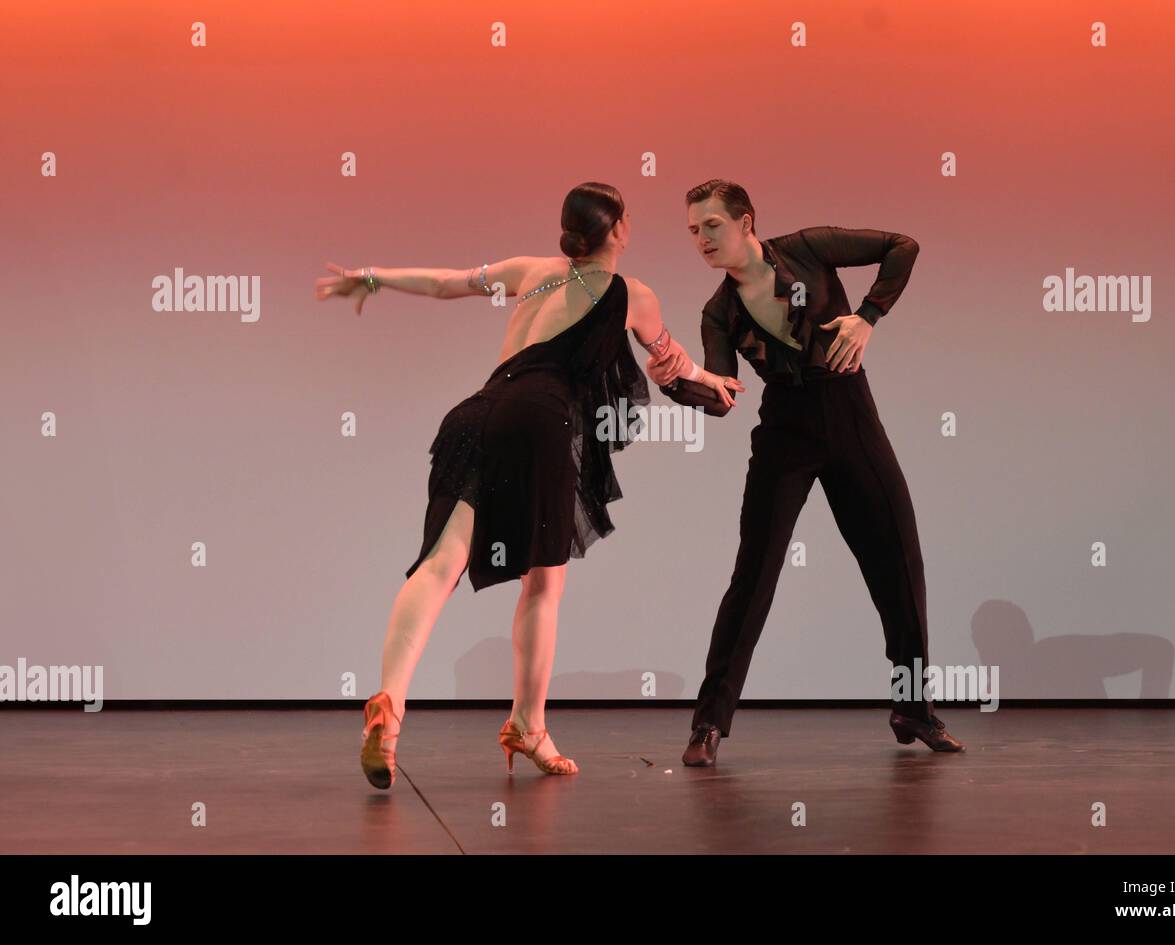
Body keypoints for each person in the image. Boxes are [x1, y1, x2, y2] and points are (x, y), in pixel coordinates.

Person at [315, 182, 744, 787]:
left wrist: (372, 275)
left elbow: (445, 283)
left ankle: (389, 705)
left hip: (478, 412)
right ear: (618, 230)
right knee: (543, 584)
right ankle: (528, 724)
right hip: (543, 422)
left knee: (438, 567)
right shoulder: (633, 295)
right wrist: (717, 380)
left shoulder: (530, 270)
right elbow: (672, 359)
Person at [647, 179, 964, 765]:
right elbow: (723, 395)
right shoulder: (718, 313)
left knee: (898, 563)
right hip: (785, 431)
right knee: (754, 575)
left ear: (746, 222)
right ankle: (708, 726)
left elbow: (903, 245)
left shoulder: (809, 247)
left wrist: (867, 316)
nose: (702, 240)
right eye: (693, 231)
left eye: (711, 226)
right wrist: (676, 385)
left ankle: (913, 708)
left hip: (850, 415)